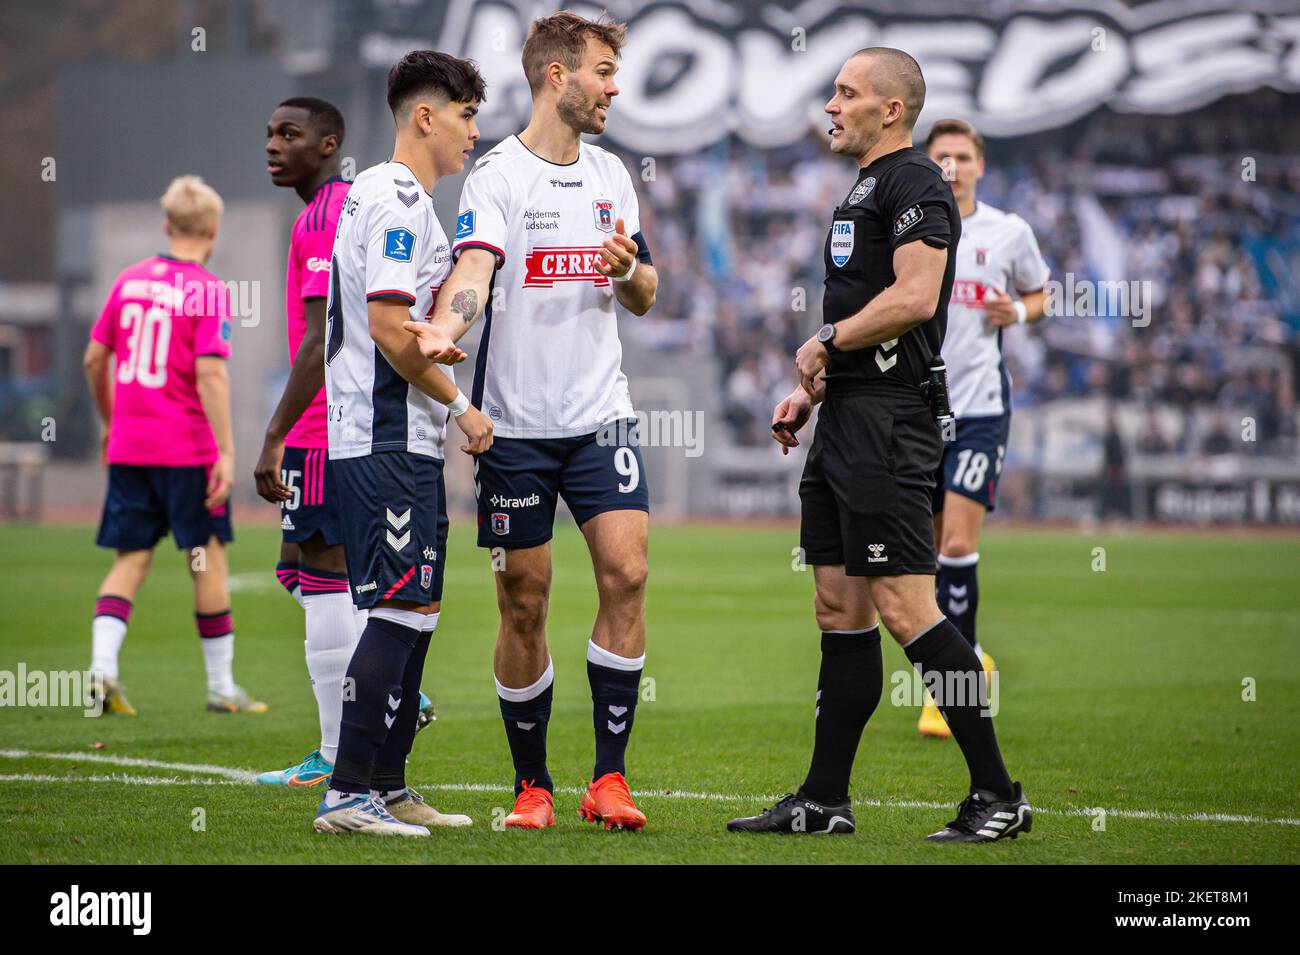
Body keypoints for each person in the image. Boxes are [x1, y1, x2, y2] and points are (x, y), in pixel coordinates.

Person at [730, 48, 1030, 842]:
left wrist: (825, 339)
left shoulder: (916, 184)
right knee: (839, 606)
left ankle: (999, 793)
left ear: (890, 109)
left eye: (846, 93)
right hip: (847, 417)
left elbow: (915, 296)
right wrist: (815, 386)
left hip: (891, 426)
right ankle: (825, 798)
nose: (830, 105)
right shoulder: (863, 187)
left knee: (906, 605)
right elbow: (876, 318)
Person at [404, 11, 658, 831]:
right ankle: (532, 786)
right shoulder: (498, 176)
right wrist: (450, 325)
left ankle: (608, 780)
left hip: (601, 418)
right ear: (557, 76)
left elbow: (648, 292)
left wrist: (627, 275)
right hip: (513, 428)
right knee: (525, 601)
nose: (615, 88)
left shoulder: (614, 176)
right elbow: (474, 270)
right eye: (604, 72)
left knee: (627, 574)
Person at [311, 50, 492, 836]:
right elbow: (389, 327)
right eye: (466, 115)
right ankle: (346, 791)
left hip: (401, 440)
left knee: (417, 610)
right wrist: (462, 408)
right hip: (384, 436)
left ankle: (386, 783)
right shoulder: (394, 197)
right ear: (426, 116)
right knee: (398, 607)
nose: (474, 135)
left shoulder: (393, 197)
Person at [252, 97, 433, 789]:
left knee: (326, 573)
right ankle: (386, 692)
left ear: (329, 144)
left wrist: (273, 434)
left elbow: (318, 337)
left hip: (329, 427)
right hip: (339, 426)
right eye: (269, 133)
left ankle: (340, 746)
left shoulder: (329, 213)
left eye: (289, 134)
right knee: (306, 570)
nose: (273, 145)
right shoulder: (320, 211)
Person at [83, 175, 265, 716]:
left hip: (131, 447)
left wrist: (110, 423)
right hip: (186, 449)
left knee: (130, 558)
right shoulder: (207, 290)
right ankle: (220, 686)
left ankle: (101, 673)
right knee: (206, 560)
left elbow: (95, 360)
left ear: (166, 226)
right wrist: (227, 452)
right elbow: (211, 375)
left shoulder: (128, 281)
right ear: (213, 229)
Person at [916, 118, 1050, 739]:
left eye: (962, 156)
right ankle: (968, 661)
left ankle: (954, 689)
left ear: (979, 166)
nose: (952, 165)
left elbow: (1041, 292)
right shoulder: (914, 225)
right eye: (941, 155)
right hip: (922, 410)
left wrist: (1019, 310)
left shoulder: (1008, 231)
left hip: (980, 411)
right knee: (932, 549)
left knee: (958, 546)